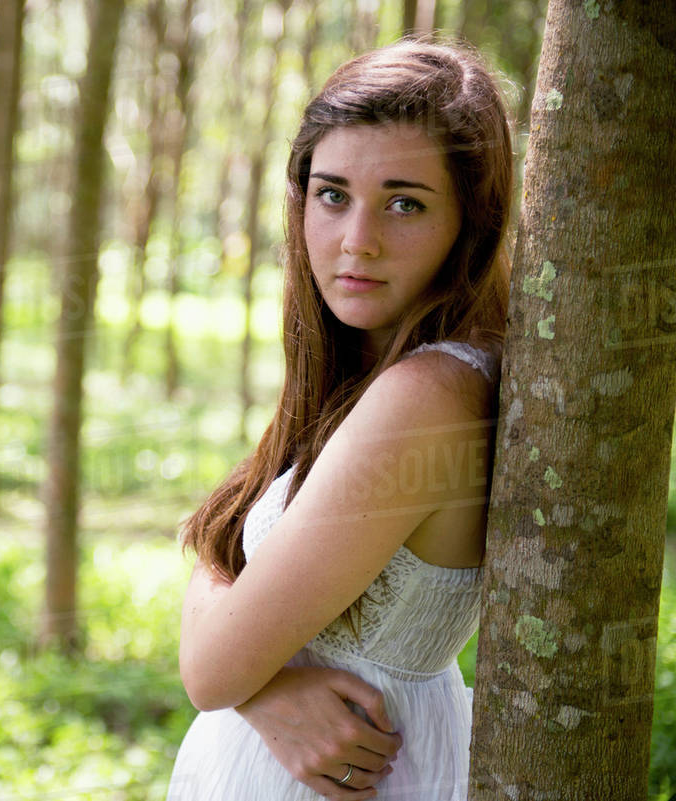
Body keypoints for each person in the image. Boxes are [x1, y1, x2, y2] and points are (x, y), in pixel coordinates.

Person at [166, 38, 514, 801]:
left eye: (404, 203)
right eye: (332, 194)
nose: (357, 239)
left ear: (472, 223)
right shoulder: (374, 371)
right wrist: (268, 694)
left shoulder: (427, 396)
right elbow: (223, 563)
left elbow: (211, 663)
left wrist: (248, 680)